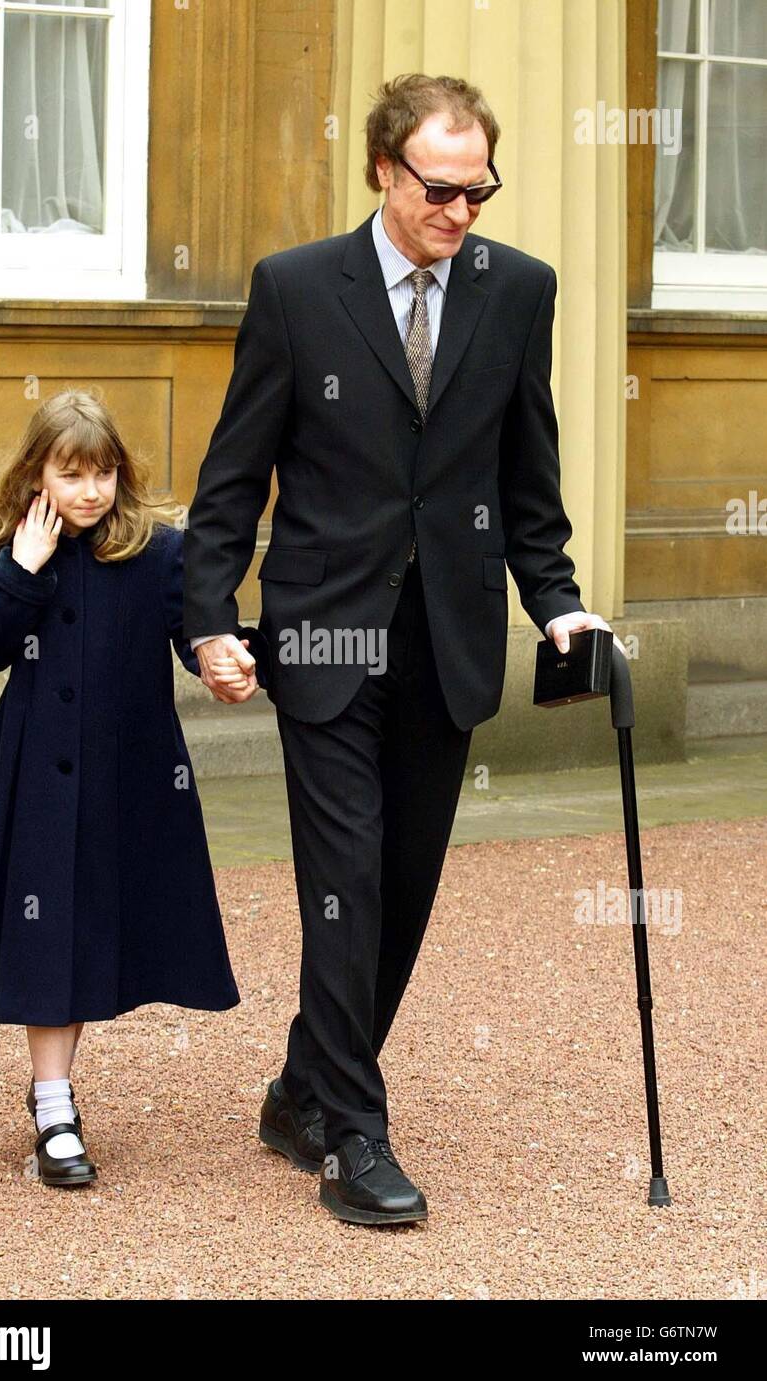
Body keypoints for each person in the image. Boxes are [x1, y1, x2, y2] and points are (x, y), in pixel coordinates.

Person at [183, 73, 623, 1226]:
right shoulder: (293, 290)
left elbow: (529, 476)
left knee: (403, 894)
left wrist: (559, 602)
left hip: (450, 639)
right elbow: (233, 478)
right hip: (323, 632)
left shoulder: (519, 289)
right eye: (440, 188)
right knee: (347, 881)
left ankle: (299, 1090)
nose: (461, 211)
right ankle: (354, 1139)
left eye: (478, 189)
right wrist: (208, 619)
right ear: (382, 169)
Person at [0, 388, 265, 1187]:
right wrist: (22, 571)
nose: (91, 491)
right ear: (38, 476)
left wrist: (227, 658)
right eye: (72, 474)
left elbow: (195, 634)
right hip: (33, 774)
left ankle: (54, 1098)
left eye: (103, 473)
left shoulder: (156, 552)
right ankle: (54, 1104)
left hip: (127, 776)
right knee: (46, 933)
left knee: (93, 929)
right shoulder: (4, 547)